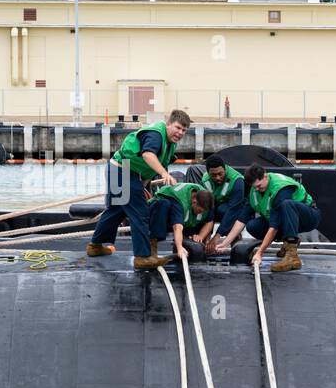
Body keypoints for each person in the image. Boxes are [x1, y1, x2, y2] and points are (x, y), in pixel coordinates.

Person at [86, 109, 190, 270]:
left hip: (119, 168)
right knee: (140, 214)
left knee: (116, 211)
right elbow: (148, 155)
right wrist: (164, 173)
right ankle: (143, 257)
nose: (180, 132)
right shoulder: (156, 135)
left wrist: (142, 186)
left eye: (184, 130)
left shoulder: (168, 141)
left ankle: (95, 246)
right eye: (177, 127)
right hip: (124, 171)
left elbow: (147, 167)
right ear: (168, 124)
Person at [215, 166, 320, 273]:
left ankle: (292, 256)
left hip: (308, 217)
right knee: (253, 226)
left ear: (265, 177)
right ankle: (287, 242)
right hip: (285, 220)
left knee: (287, 204)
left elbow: (273, 227)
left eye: (259, 186)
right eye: (254, 187)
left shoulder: (280, 189)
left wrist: (259, 253)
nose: (256, 189)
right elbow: (242, 220)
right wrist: (225, 243)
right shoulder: (255, 190)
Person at [148, 182, 213, 263]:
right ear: (194, 202)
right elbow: (177, 227)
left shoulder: (206, 199)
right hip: (157, 213)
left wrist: (200, 236)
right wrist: (179, 248)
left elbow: (209, 222)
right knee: (164, 204)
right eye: (200, 210)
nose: (201, 213)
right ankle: (152, 250)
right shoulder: (181, 203)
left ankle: (185, 241)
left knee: (198, 217)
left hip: (183, 217)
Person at [197, 155, 246, 250]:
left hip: (233, 208)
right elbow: (207, 206)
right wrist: (206, 234)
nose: (218, 178)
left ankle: (235, 237)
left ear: (225, 169)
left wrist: (217, 236)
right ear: (208, 173)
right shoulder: (205, 180)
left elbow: (233, 210)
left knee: (222, 210)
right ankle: (205, 240)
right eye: (213, 175)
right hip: (215, 206)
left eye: (220, 174)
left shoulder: (237, 181)